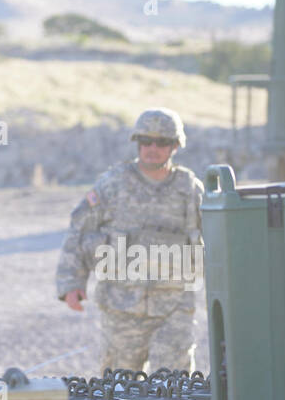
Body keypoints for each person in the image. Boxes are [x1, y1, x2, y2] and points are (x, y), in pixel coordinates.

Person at [56, 107, 204, 373]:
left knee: (176, 388)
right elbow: (80, 229)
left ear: (175, 146)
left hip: (174, 306)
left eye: (162, 142)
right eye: (145, 141)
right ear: (136, 143)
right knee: (119, 391)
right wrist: (71, 282)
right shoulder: (113, 185)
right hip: (121, 307)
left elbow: (216, 239)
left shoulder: (190, 190)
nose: (152, 148)